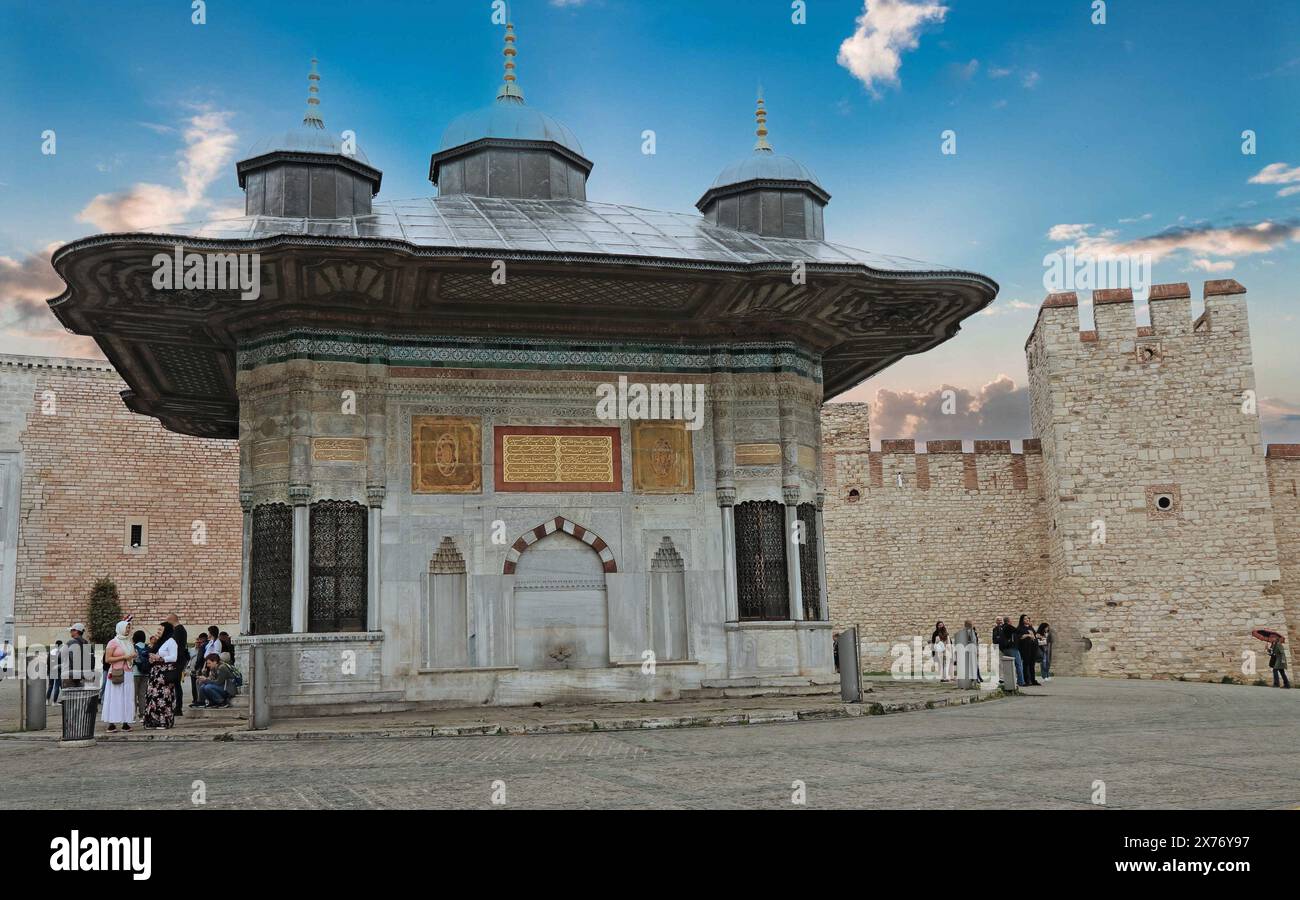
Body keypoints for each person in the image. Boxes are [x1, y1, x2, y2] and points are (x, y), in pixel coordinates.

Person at [101, 620, 136, 733]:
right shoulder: (113, 642)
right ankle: (111, 723)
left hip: (128, 672)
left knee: (127, 697)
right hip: (117, 673)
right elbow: (108, 659)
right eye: (126, 628)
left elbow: (130, 655)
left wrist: (132, 656)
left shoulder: (129, 641)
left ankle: (126, 722)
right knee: (115, 697)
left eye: (129, 628)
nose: (128, 630)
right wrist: (125, 657)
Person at [142, 621, 178, 730]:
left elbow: (174, 657)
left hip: (164, 673)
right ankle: (153, 721)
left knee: (163, 697)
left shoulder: (171, 642)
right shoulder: (160, 642)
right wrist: (152, 657)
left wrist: (160, 659)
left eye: (160, 630)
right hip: (155, 673)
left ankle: (164, 721)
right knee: (153, 697)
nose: (158, 632)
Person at [166, 614, 189, 718]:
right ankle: (177, 707)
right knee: (176, 685)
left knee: (176, 684)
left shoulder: (178, 630)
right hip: (179, 660)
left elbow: (174, 646)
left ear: (171, 620)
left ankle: (178, 707)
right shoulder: (180, 630)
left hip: (177, 661)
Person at [63, 623, 94, 688]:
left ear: (76, 631)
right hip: (84, 674)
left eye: (72, 630)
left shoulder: (70, 642)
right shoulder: (87, 644)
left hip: (72, 674)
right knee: (82, 696)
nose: (70, 632)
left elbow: (60, 656)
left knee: (70, 695)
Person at [1016, 615, 1040, 686]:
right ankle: (1026, 680)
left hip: (1033, 648)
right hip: (1025, 649)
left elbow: (1034, 635)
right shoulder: (1020, 628)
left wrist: (1036, 636)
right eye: (1025, 619)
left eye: (1028, 618)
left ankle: (1033, 680)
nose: (1027, 620)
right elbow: (1019, 637)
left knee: (1032, 664)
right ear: (1022, 620)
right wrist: (1027, 635)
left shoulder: (1030, 627)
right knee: (1026, 664)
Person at [132, 629, 149, 719]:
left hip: (135, 673)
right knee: (142, 694)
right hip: (145, 673)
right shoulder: (147, 647)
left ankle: (133, 714)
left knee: (133, 695)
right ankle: (142, 714)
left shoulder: (133, 647)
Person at [188, 633, 209, 709]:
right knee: (194, 686)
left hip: (199, 669)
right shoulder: (191, 650)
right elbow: (189, 659)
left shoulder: (204, 647)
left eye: (199, 642)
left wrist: (198, 668)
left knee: (199, 684)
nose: (198, 643)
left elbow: (200, 659)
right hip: (192, 669)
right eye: (197, 642)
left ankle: (200, 700)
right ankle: (195, 699)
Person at [47, 640, 63, 705]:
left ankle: (47, 701)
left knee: (50, 686)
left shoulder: (51, 652)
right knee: (56, 686)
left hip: (51, 671)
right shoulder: (60, 652)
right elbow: (61, 663)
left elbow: (48, 662)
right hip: (57, 671)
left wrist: (49, 671)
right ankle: (54, 702)